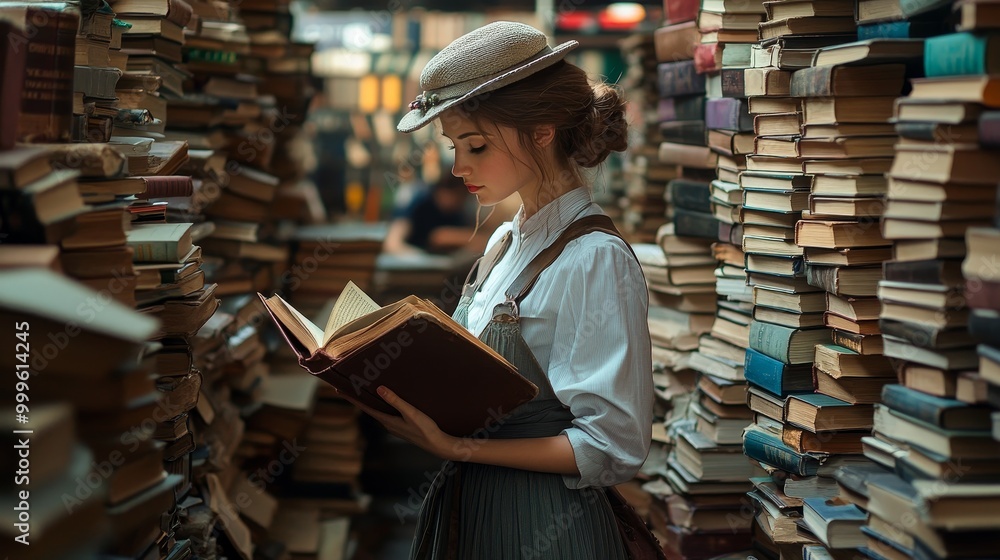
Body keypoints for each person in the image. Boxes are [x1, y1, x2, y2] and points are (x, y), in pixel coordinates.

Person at [344, 21, 654, 559]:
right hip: (471, 514)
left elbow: (613, 447)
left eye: (477, 145)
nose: (459, 166)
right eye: (453, 146)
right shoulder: (505, 241)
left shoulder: (593, 260)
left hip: (543, 528)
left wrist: (458, 447)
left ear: (541, 130)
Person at [382, 173, 483, 255]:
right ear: (442, 190)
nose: (459, 202)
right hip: (405, 264)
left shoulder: (457, 211)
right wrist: (420, 258)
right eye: (458, 195)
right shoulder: (419, 199)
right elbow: (392, 243)